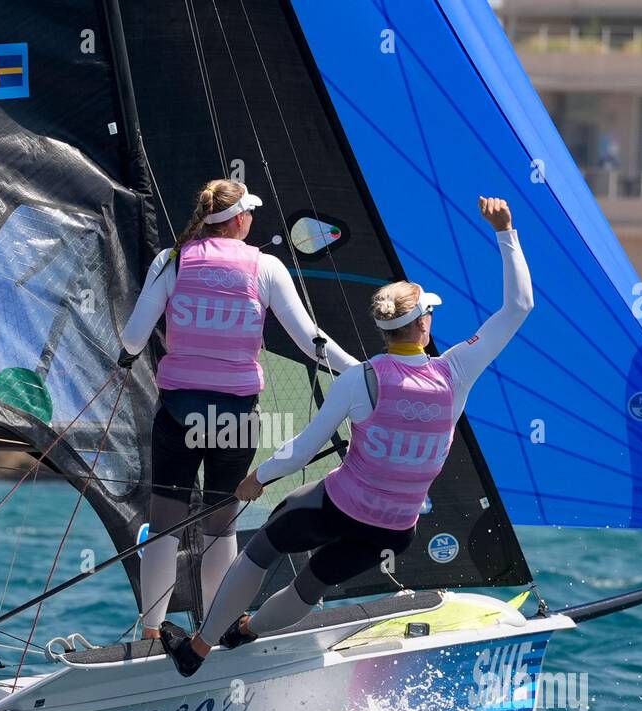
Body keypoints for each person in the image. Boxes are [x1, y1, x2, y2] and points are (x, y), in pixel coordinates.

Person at [161, 196, 532, 676]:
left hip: (340, 506)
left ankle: (199, 649)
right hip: (397, 530)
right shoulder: (456, 371)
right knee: (311, 587)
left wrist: (259, 477)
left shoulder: (361, 378)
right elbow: (519, 305)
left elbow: (305, 448)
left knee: (265, 545)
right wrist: (505, 231)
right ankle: (245, 631)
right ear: (422, 324)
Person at [118, 179, 357, 643]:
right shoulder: (265, 267)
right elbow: (312, 342)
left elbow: (132, 339)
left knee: (165, 522)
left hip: (179, 414)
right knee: (219, 520)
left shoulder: (171, 260)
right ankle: (217, 628)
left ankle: (151, 632)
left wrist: (128, 357)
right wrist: (363, 372)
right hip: (235, 417)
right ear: (241, 219)